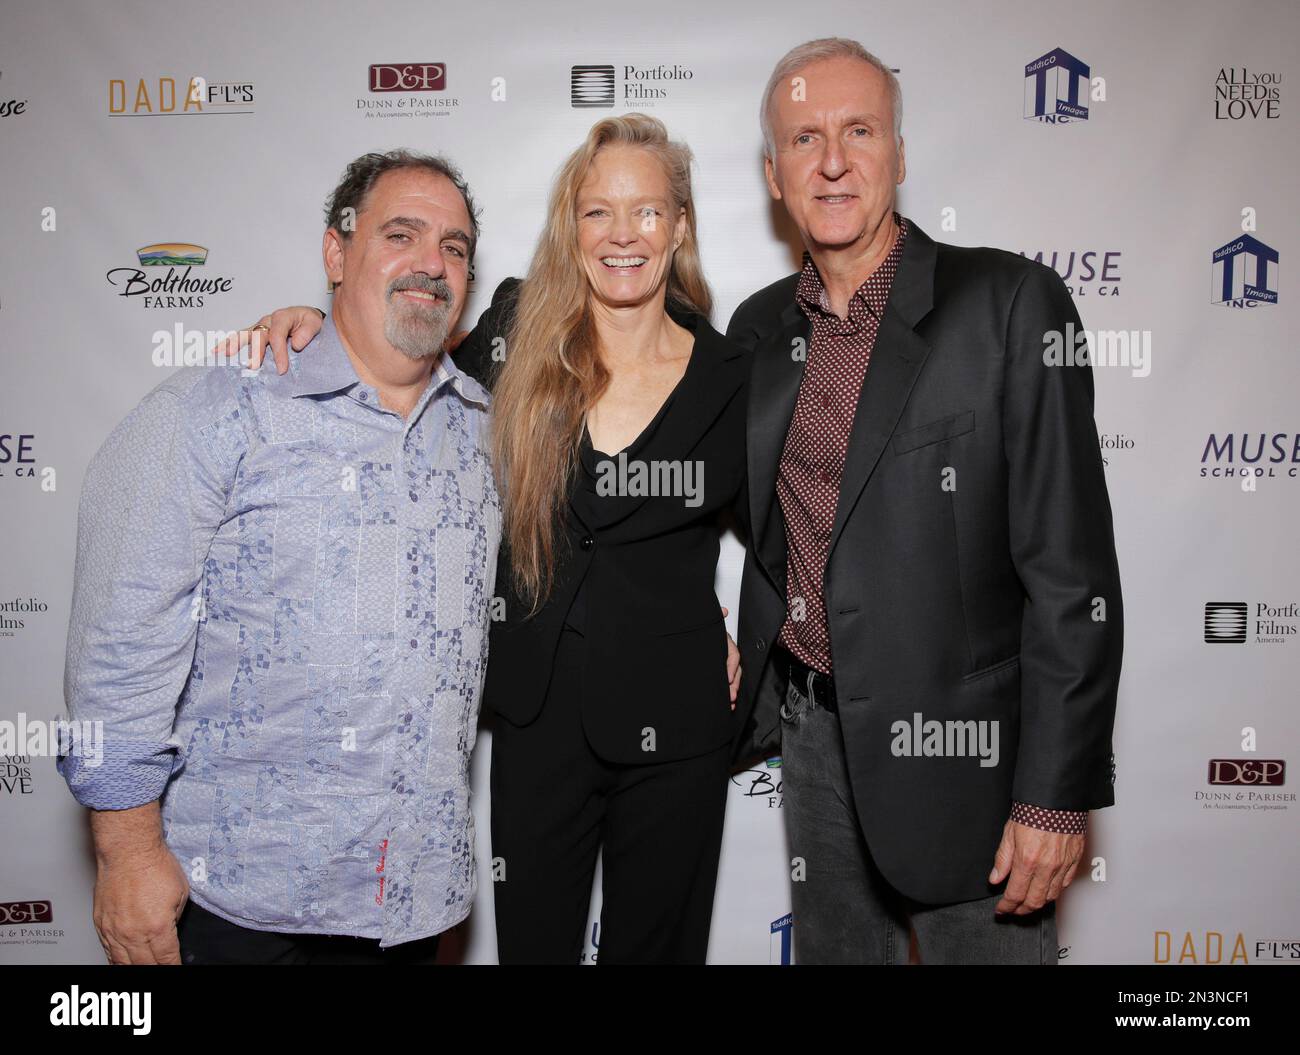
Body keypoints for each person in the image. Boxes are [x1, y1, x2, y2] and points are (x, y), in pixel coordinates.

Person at [218, 115, 748, 964]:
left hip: (677, 721)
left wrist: (738, 632)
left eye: (647, 212)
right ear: (569, 226)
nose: (623, 235)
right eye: (597, 211)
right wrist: (314, 320)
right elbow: (396, 362)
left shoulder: (735, 374)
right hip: (534, 715)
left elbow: (789, 531)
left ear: (679, 225)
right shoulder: (512, 331)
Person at [726, 38, 1124, 963]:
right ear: (775, 173)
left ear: (899, 156)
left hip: (971, 763)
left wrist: (1053, 793)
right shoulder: (754, 331)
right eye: (804, 139)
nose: (832, 162)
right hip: (813, 741)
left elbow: (1071, 573)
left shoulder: (1009, 304)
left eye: (859, 132)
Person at [58, 149, 500, 964]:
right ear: (337, 252)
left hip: (413, 903)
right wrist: (125, 852)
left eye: (455, 246)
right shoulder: (219, 407)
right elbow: (120, 641)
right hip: (242, 906)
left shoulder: (485, 434)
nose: (430, 265)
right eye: (400, 234)